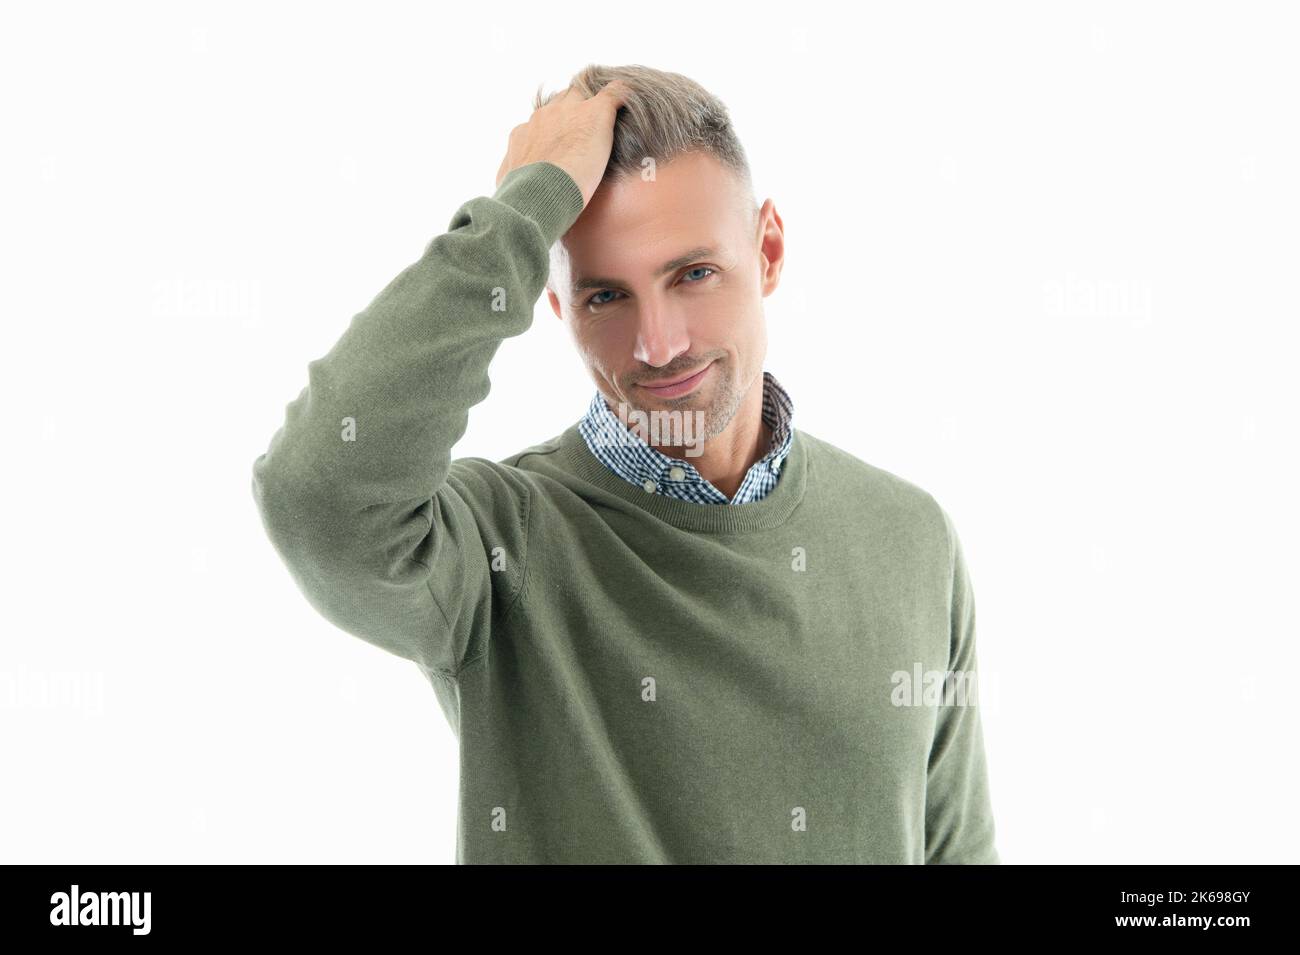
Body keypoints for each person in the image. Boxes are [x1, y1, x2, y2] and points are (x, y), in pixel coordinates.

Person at [251, 63, 998, 864]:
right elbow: (316, 491)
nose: (659, 344)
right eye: (607, 296)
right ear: (555, 302)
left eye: (694, 274)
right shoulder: (503, 548)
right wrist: (520, 213)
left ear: (770, 250)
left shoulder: (911, 538)